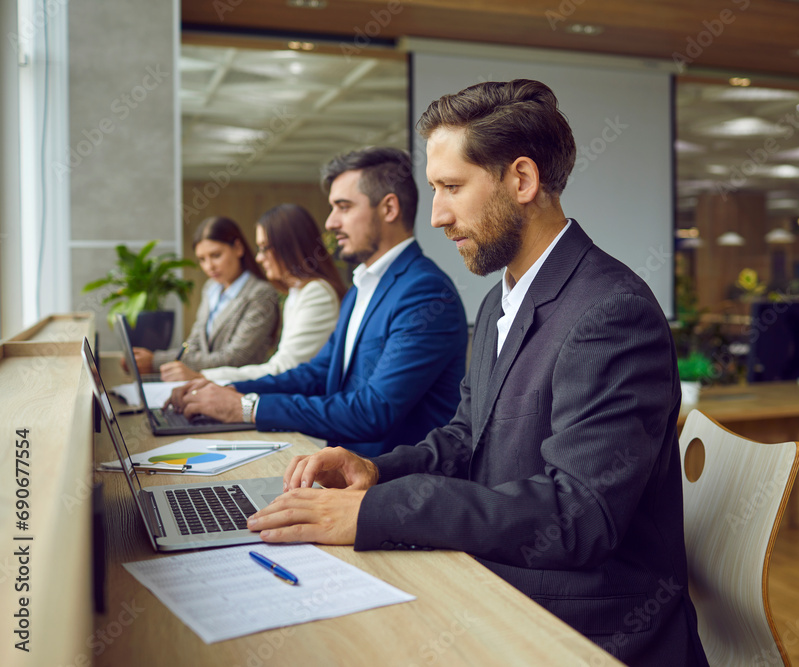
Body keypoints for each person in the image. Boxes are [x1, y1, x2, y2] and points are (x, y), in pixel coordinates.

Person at [243, 81, 709, 666]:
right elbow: (467, 438)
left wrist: (381, 512)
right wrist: (374, 472)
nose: (436, 215)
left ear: (521, 180)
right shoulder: (499, 300)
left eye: (451, 188)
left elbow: (578, 515)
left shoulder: (612, 313)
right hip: (504, 583)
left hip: (592, 626)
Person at [167, 147, 468, 458]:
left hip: (390, 486)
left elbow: (372, 411)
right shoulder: (360, 288)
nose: (330, 222)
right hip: (342, 469)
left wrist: (246, 408)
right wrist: (231, 392)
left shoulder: (425, 292)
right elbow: (317, 373)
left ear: (389, 208)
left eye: (343, 207)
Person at [159, 204, 348, 383]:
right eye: (202, 259)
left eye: (265, 248)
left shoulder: (316, 293)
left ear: (289, 247)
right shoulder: (296, 292)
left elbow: (283, 368)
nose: (259, 257)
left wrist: (202, 377)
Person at [133, 216, 281, 375]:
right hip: (203, 383)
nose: (209, 266)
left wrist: (157, 361)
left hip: (238, 387)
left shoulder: (261, 294)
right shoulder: (211, 289)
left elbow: (235, 358)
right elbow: (193, 344)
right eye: (202, 259)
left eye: (216, 255)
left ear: (238, 248)